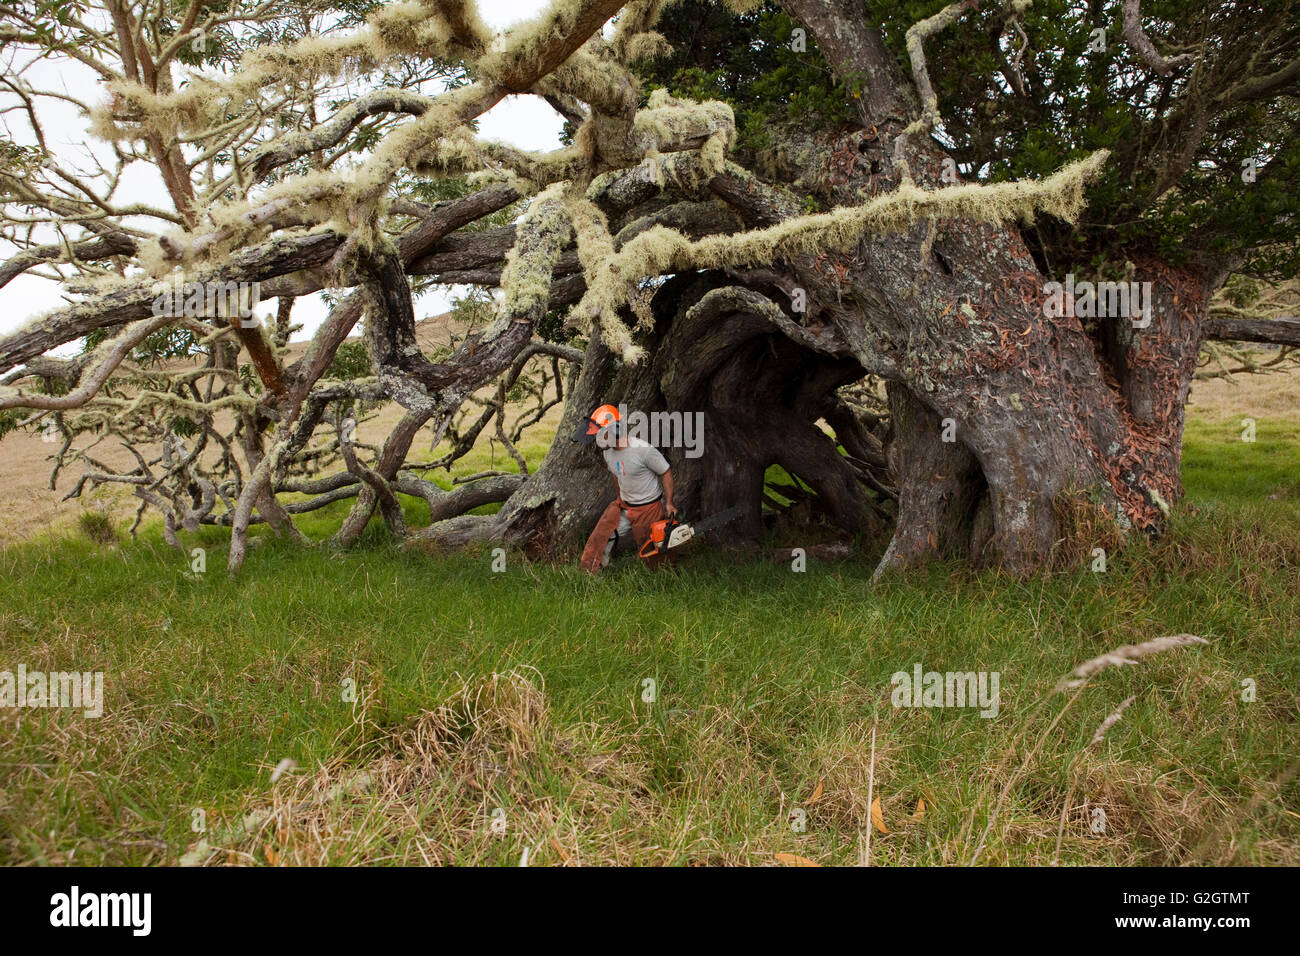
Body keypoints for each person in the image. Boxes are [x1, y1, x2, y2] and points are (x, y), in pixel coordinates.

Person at [572, 403, 676, 573]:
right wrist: (619, 498)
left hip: (648, 507)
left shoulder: (642, 450)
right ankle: (592, 572)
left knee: (654, 550)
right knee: (602, 536)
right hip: (624, 504)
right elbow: (616, 473)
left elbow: (665, 472)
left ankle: (665, 578)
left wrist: (669, 503)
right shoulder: (608, 451)